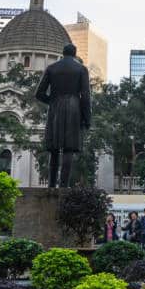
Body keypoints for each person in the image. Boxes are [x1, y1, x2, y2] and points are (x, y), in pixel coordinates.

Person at [34, 41, 92, 188]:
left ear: (63, 53)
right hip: (74, 108)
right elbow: (85, 96)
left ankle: (51, 185)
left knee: (54, 148)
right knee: (69, 148)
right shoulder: (81, 69)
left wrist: (52, 101)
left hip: (55, 107)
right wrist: (86, 118)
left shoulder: (51, 68)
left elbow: (39, 93)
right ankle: (63, 186)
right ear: (74, 53)